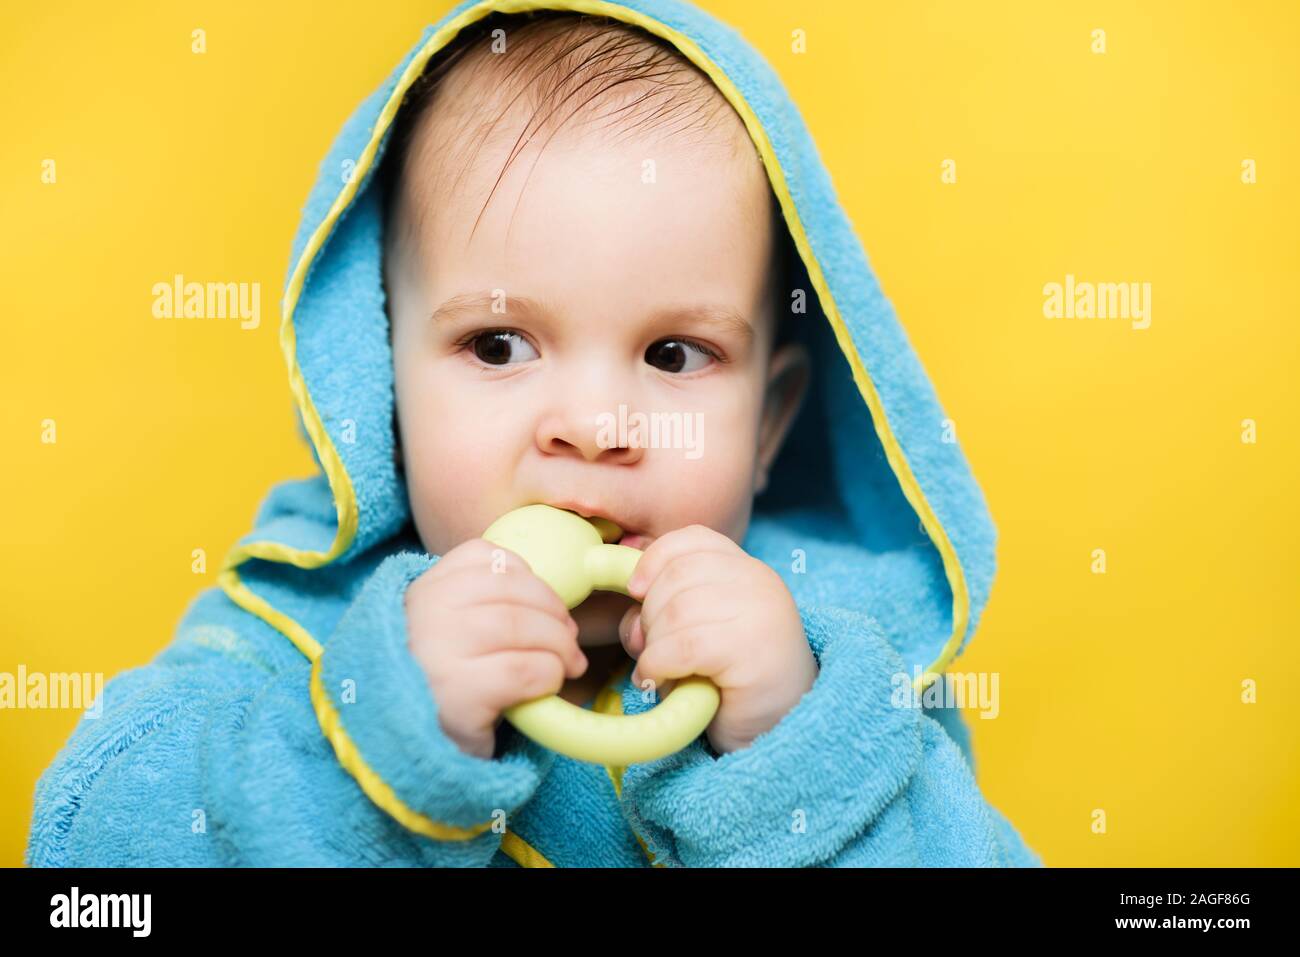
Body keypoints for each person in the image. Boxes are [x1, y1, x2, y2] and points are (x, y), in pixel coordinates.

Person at [27, 0, 1041, 867]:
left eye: (675, 355)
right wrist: (369, 738)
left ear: (769, 421)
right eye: (500, 345)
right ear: (381, 383)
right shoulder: (297, 631)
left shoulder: (834, 665)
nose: (595, 429)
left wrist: (793, 755)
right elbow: (86, 866)